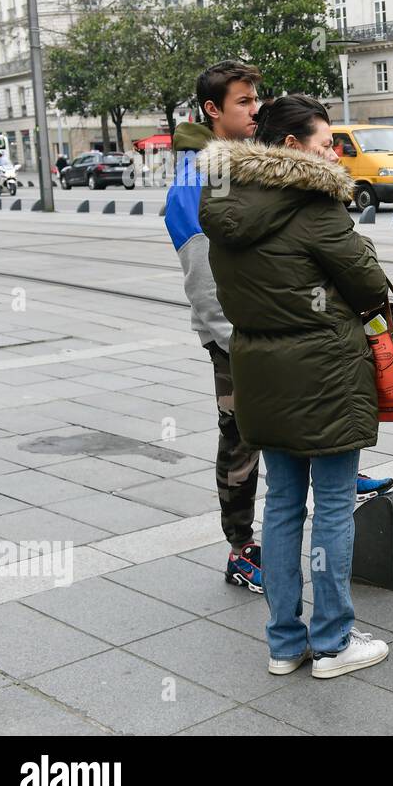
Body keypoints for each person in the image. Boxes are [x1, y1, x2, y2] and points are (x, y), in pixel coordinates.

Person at [198, 95, 391, 680]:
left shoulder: (223, 201)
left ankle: (285, 643)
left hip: (260, 370)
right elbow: (371, 288)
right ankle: (332, 642)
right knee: (332, 504)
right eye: (325, 142)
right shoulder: (317, 207)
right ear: (290, 147)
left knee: (281, 506)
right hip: (325, 373)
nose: (333, 152)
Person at [165, 61, 266, 592]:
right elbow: (204, 285)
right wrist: (240, 347)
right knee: (241, 440)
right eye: (244, 102)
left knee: (270, 430)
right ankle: (241, 547)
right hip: (237, 341)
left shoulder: (232, 161)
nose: (256, 109)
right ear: (212, 110)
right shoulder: (195, 179)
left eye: (256, 99)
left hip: (262, 332)